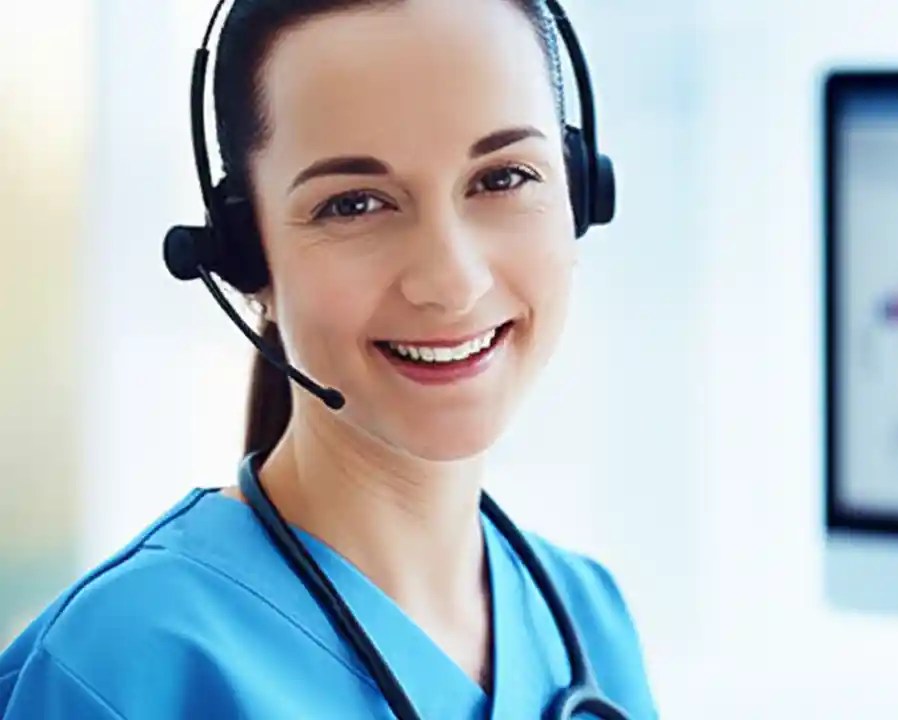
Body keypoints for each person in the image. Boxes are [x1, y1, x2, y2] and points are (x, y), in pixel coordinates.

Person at [0, 0, 657, 717]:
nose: (450, 281)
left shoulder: (589, 619)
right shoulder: (119, 666)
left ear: (579, 192)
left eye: (502, 178)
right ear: (246, 259)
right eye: (353, 205)